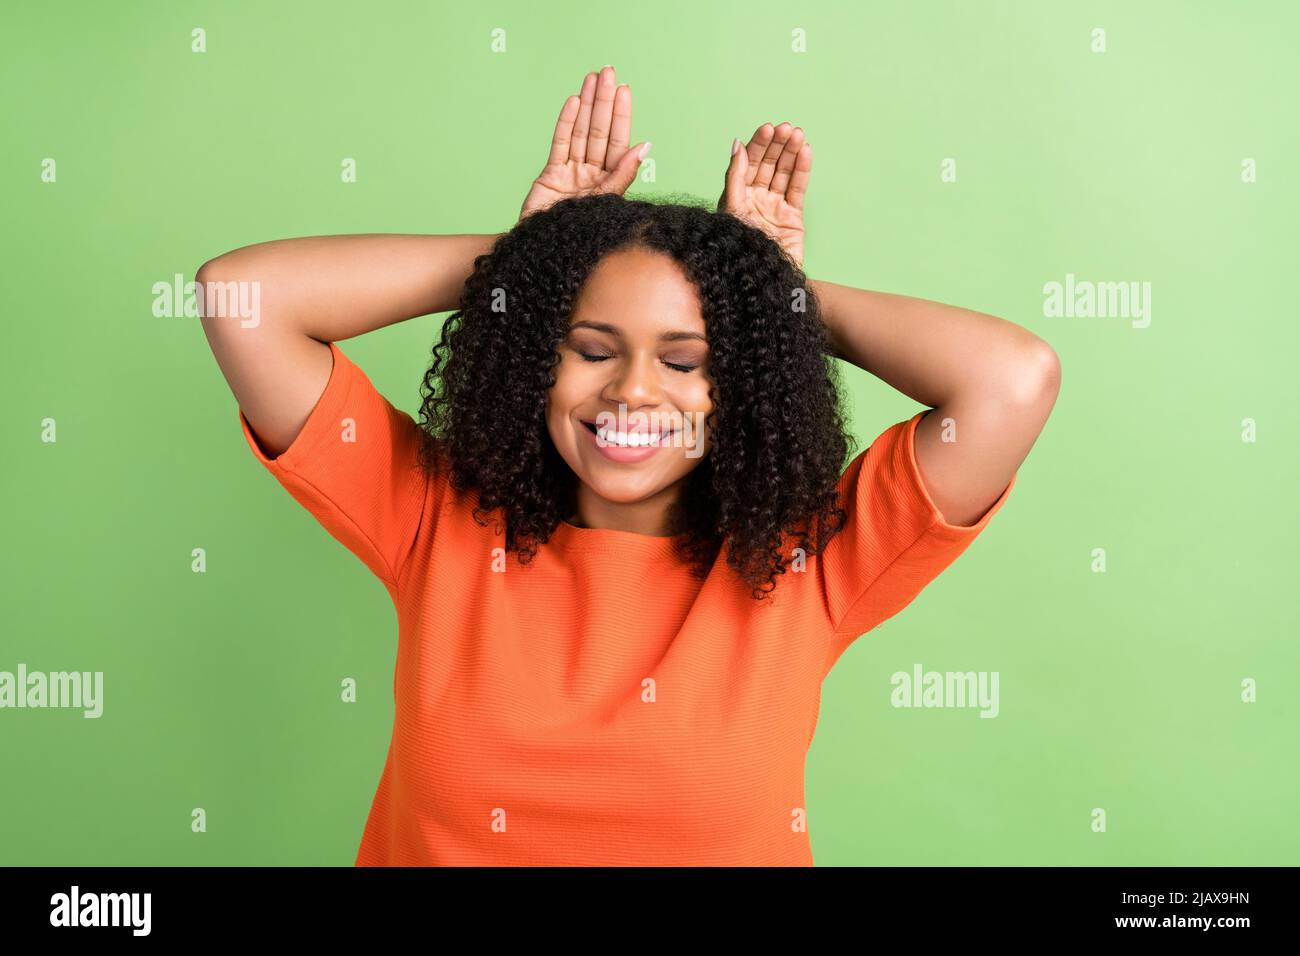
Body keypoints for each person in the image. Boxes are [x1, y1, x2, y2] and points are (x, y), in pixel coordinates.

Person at [196, 66, 1060, 866]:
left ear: (743, 382)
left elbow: (1012, 380)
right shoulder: (435, 520)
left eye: (684, 361)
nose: (633, 391)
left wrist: (770, 293)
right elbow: (245, 301)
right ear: (539, 353)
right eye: (592, 347)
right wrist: (529, 259)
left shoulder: (809, 564)